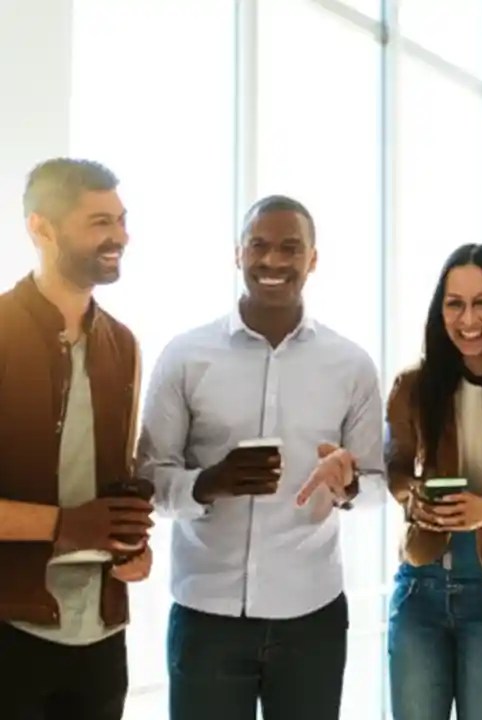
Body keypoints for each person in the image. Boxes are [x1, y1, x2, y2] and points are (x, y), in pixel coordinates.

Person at [136, 195, 385, 720]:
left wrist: (348, 486)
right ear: (237, 254)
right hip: (206, 615)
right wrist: (209, 484)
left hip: (310, 616)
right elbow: (149, 480)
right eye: (259, 246)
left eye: (290, 248)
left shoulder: (351, 365)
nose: (273, 262)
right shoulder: (185, 357)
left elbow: (375, 486)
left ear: (313, 259)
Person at [0, 158, 154, 720]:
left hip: (100, 633)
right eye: (98, 222)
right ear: (40, 228)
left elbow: (117, 472)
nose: (118, 236)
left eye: (120, 219)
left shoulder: (125, 344)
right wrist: (66, 526)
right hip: (10, 626)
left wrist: (130, 541)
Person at [384, 243, 482, 720]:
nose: (467, 318)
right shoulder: (413, 386)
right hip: (421, 586)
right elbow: (394, 467)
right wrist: (413, 499)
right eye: (454, 303)